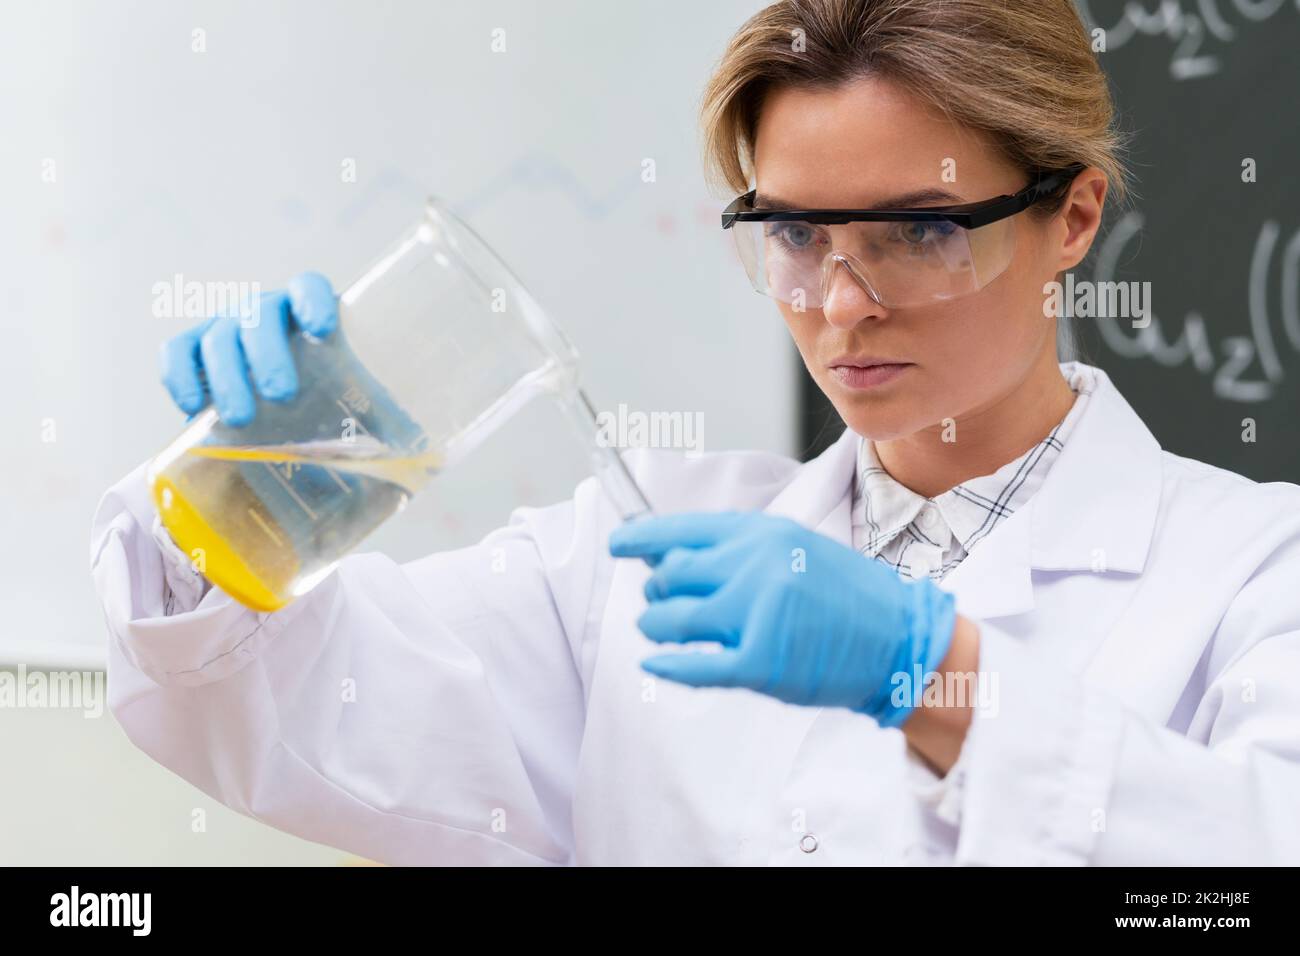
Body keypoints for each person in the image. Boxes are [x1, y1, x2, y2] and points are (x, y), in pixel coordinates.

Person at [91, 0, 1300, 865]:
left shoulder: (1253, 567)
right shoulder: (635, 553)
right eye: (794, 235)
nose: (839, 304)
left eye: (920, 233)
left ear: (1074, 214)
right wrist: (236, 500)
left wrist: (933, 671)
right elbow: (298, 712)